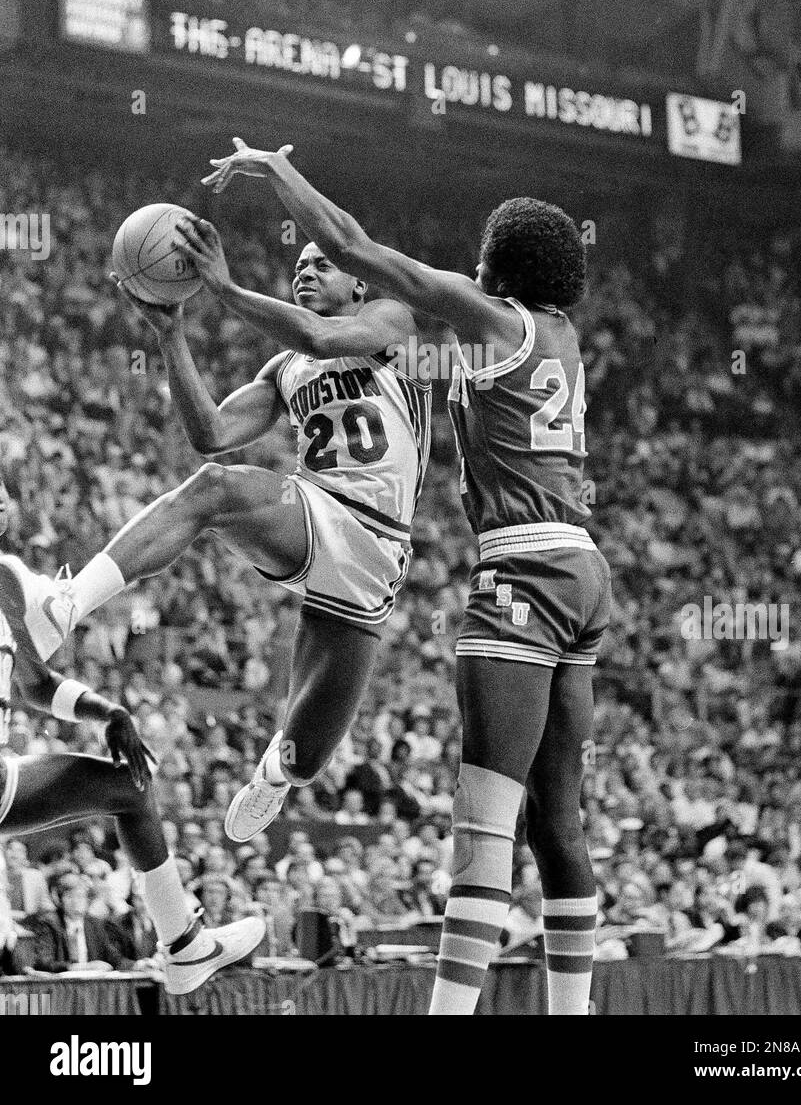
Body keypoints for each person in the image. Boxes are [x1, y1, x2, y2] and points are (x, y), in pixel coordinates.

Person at [198, 137, 612, 1017]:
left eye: (482, 251)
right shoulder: (562, 336)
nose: (468, 260)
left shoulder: (493, 319)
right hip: (586, 572)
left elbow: (351, 245)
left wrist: (278, 173)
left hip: (524, 569)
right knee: (559, 821)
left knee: (484, 818)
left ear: (499, 264)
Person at [0, 222, 431, 844]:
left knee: (306, 757)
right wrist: (171, 335)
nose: (304, 271)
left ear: (359, 281)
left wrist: (224, 288)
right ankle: (70, 602)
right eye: (299, 265)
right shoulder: (285, 370)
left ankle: (274, 772)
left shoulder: (393, 322)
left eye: (321, 264)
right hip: (318, 509)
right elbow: (211, 433)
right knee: (215, 485)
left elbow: (319, 333)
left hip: (378, 549)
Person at [0, 479, 264, 994]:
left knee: (131, 786)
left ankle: (184, 947)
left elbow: (33, 682)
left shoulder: (6, 581)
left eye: (3, 489)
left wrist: (107, 711)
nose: (0, 498)